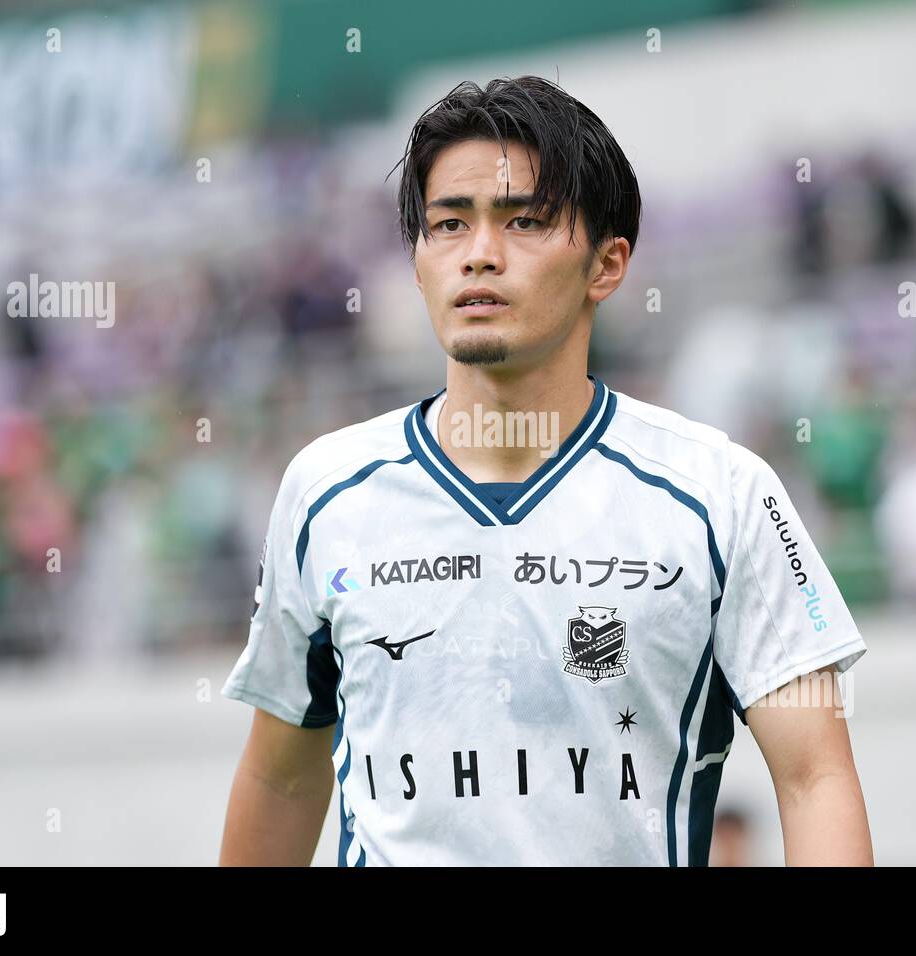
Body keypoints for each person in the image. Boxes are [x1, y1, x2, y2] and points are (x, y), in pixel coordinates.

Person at [218, 77, 871, 867]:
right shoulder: (326, 492)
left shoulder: (721, 495)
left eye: (524, 221)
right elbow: (280, 778)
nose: (479, 253)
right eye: (448, 223)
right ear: (418, 262)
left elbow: (814, 778)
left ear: (608, 264)